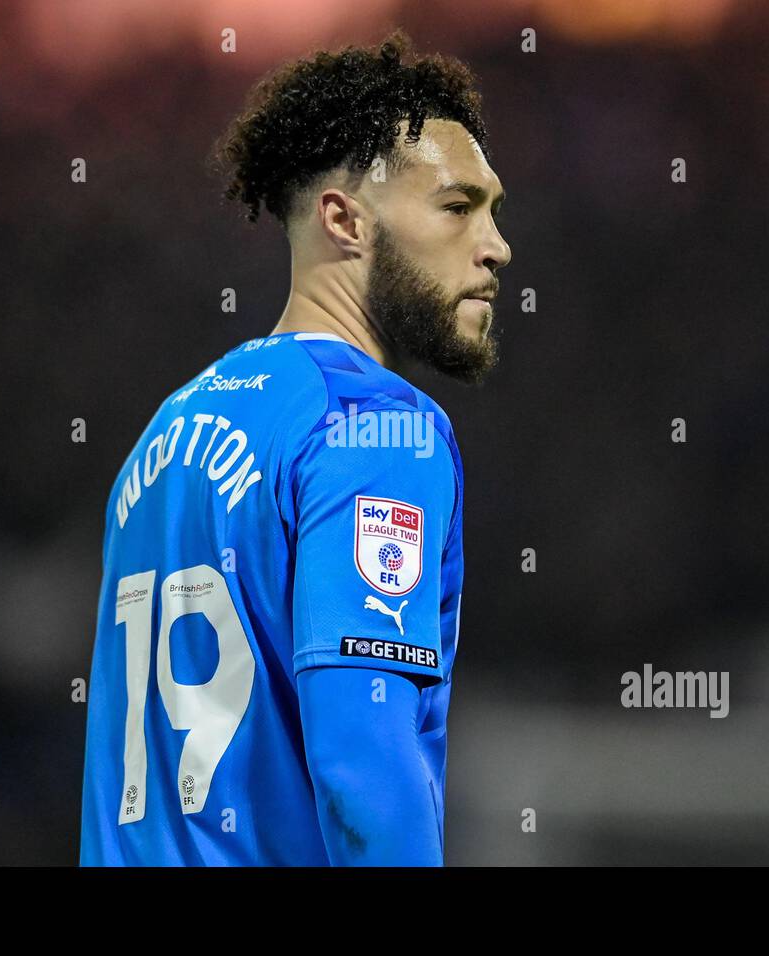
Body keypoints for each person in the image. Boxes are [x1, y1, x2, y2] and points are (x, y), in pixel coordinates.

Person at [80, 28, 510, 865]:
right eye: (459, 207)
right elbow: (363, 769)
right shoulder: (377, 428)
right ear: (345, 221)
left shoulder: (166, 432)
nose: (496, 246)